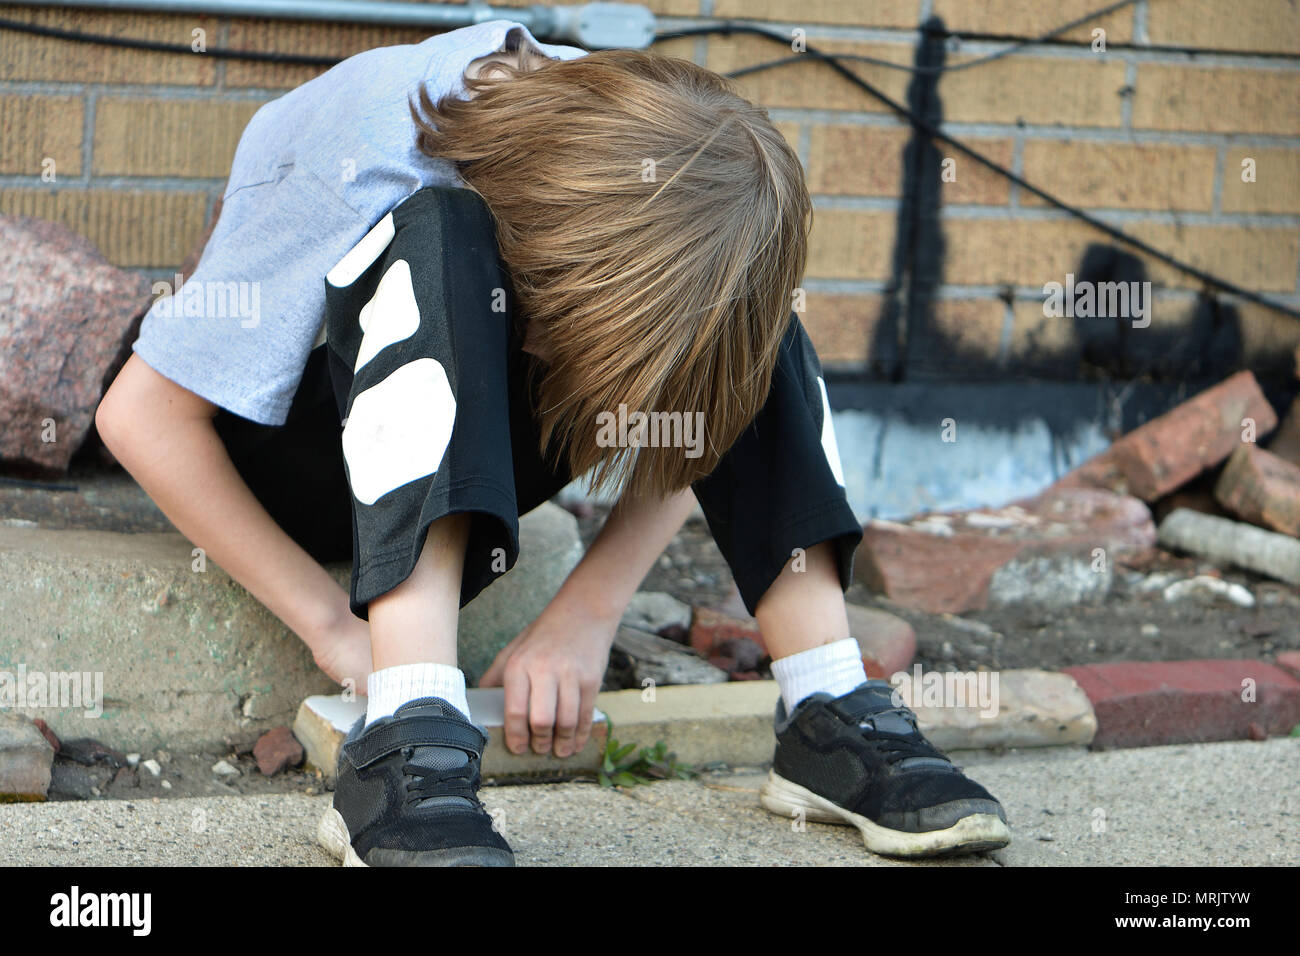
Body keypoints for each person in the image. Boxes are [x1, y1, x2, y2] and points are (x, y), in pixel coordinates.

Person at [96, 19, 1010, 867]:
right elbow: (138, 419)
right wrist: (342, 635)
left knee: (736, 279)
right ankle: (407, 727)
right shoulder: (363, 146)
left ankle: (828, 700)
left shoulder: (647, 152)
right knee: (444, 235)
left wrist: (586, 613)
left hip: (475, 441)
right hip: (303, 460)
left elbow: (696, 397)